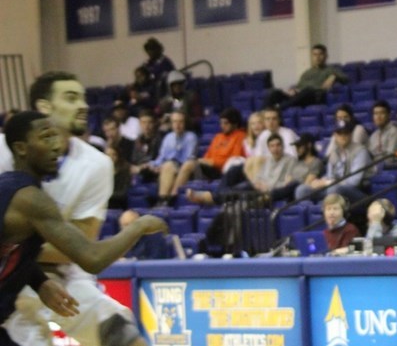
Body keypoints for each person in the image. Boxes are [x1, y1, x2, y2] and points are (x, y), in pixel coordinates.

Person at [0, 74, 151, 346]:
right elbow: (85, 251)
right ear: (44, 107)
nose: (83, 105)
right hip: (13, 280)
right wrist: (139, 227)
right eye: (71, 98)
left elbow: (77, 247)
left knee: (120, 332)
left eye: (82, 97)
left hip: (62, 274)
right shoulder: (4, 153)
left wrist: (28, 258)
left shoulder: (97, 164)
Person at [296, 126, 371, 204]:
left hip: (358, 192)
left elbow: (354, 182)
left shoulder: (360, 151)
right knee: (302, 190)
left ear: (351, 135)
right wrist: (319, 182)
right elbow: (330, 176)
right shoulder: (334, 153)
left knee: (333, 189)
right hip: (333, 189)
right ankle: (313, 213)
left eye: (346, 133)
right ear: (335, 135)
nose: (343, 136)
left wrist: (327, 183)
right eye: (340, 134)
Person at [264, 44, 349, 110]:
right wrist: (293, 90)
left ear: (326, 56)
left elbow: (346, 79)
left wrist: (334, 76)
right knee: (275, 93)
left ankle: (278, 108)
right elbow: (299, 87)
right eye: (315, 55)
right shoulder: (306, 73)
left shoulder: (330, 70)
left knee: (308, 90)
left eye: (320, 54)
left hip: (315, 97)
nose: (317, 57)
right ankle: (261, 113)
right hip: (300, 96)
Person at [177, 108, 246, 187]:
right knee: (187, 166)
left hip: (224, 171)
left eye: (226, 123)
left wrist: (213, 162)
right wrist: (205, 161)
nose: (222, 126)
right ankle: (178, 194)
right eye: (221, 123)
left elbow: (235, 161)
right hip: (210, 169)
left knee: (189, 165)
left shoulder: (241, 136)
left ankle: (173, 194)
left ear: (235, 124)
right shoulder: (218, 137)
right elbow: (208, 155)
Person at [154, 111, 198, 205]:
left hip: (184, 167)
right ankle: (163, 200)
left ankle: (170, 199)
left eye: (180, 122)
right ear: (171, 124)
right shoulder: (168, 138)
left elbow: (188, 158)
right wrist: (154, 165)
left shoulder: (191, 137)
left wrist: (172, 163)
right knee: (167, 166)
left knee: (172, 165)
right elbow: (161, 157)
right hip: (169, 167)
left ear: (185, 123)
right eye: (175, 122)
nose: (177, 125)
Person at [367, 100, 397, 167]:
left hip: (389, 169)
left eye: (382, 113)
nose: (378, 117)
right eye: (375, 113)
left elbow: (390, 158)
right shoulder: (373, 135)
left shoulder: (394, 132)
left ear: (389, 115)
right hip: (375, 168)